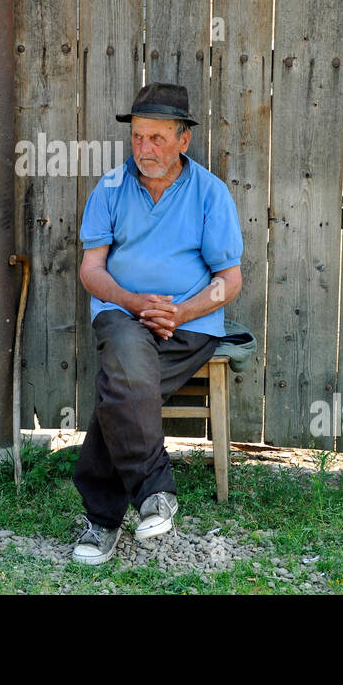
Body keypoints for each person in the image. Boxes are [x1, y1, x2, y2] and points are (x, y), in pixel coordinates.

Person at [71, 83, 243, 565]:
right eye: (138, 138)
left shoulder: (211, 192)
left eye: (157, 139)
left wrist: (178, 311)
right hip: (121, 315)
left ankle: (101, 522)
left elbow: (230, 280)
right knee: (127, 359)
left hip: (189, 324)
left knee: (120, 387)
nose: (145, 149)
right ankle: (155, 492)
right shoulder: (109, 188)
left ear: (183, 140)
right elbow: (92, 269)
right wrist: (133, 301)